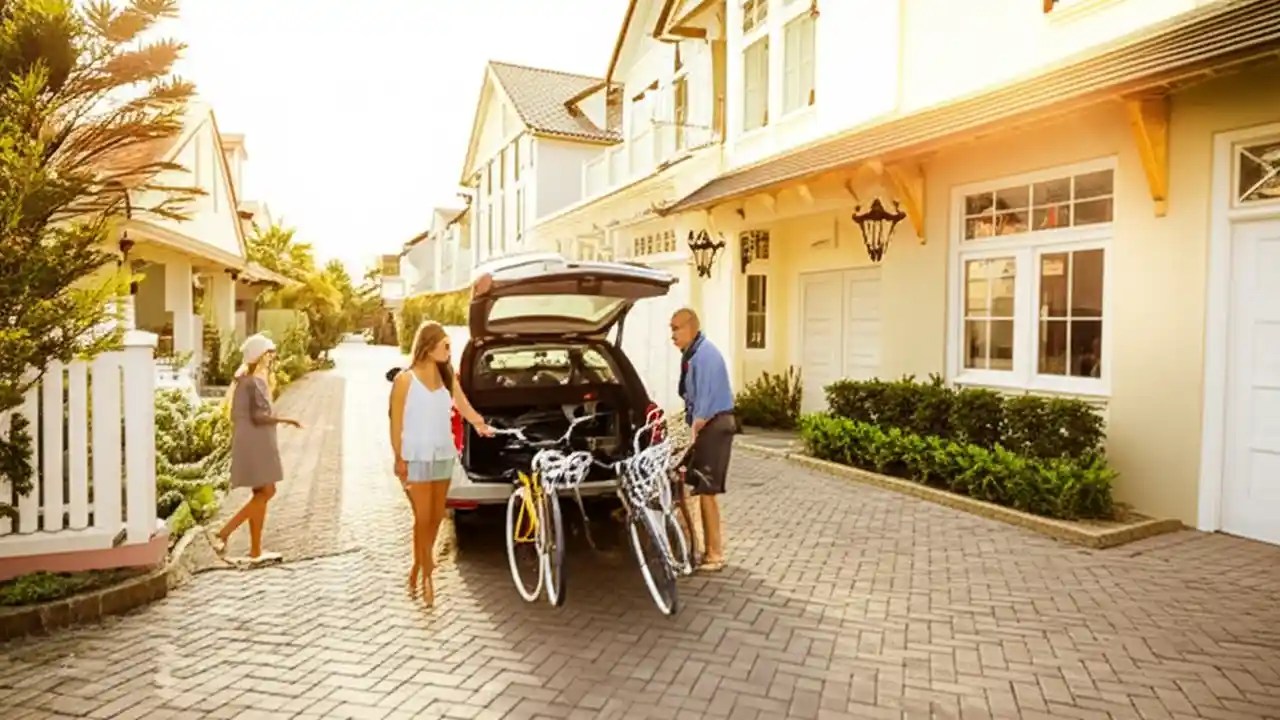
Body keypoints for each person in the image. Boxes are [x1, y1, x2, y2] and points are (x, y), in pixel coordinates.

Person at [389, 321, 494, 606]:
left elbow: (464, 407)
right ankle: (427, 575)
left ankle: (416, 566)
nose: (450, 351)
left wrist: (481, 425)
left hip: (444, 455)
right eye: (446, 345)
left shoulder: (448, 378)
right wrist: (398, 457)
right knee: (422, 518)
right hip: (416, 457)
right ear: (429, 345)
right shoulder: (405, 380)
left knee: (435, 518)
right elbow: (395, 422)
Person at [212, 334, 302, 562]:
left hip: (248, 440)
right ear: (260, 356)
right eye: (269, 354)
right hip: (258, 442)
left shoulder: (244, 379)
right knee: (268, 491)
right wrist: (286, 420)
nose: (272, 358)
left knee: (260, 493)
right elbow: (260, 416)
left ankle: (255, 550)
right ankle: (223, 532)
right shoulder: (256, 381)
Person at [670, 308, 735, 572]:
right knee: (693, 486)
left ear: (691, 328)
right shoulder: (694, 354)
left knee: (707, 490)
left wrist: (691, 435)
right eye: (671, 329)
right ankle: (696, 547)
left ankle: (715, 554)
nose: (672, 335)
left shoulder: (705, 356)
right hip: (709, 424)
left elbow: (704, 407)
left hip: (714, 425)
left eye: (676, 329)